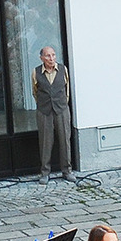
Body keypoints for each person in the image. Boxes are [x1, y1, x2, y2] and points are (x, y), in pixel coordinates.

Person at [33, 45, 73, 181]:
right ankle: (45, 172)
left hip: (61, 109)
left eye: (53, 55)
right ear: (42, 58)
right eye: (48, 56)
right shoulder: (36, 72)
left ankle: (67, 171)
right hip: (44, 110)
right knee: (45, 141)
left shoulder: (63, 70)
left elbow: (66, 90)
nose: (51, 58)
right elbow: (35, 92)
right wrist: (43, 104)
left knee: (65, 140)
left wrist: (61, 103)